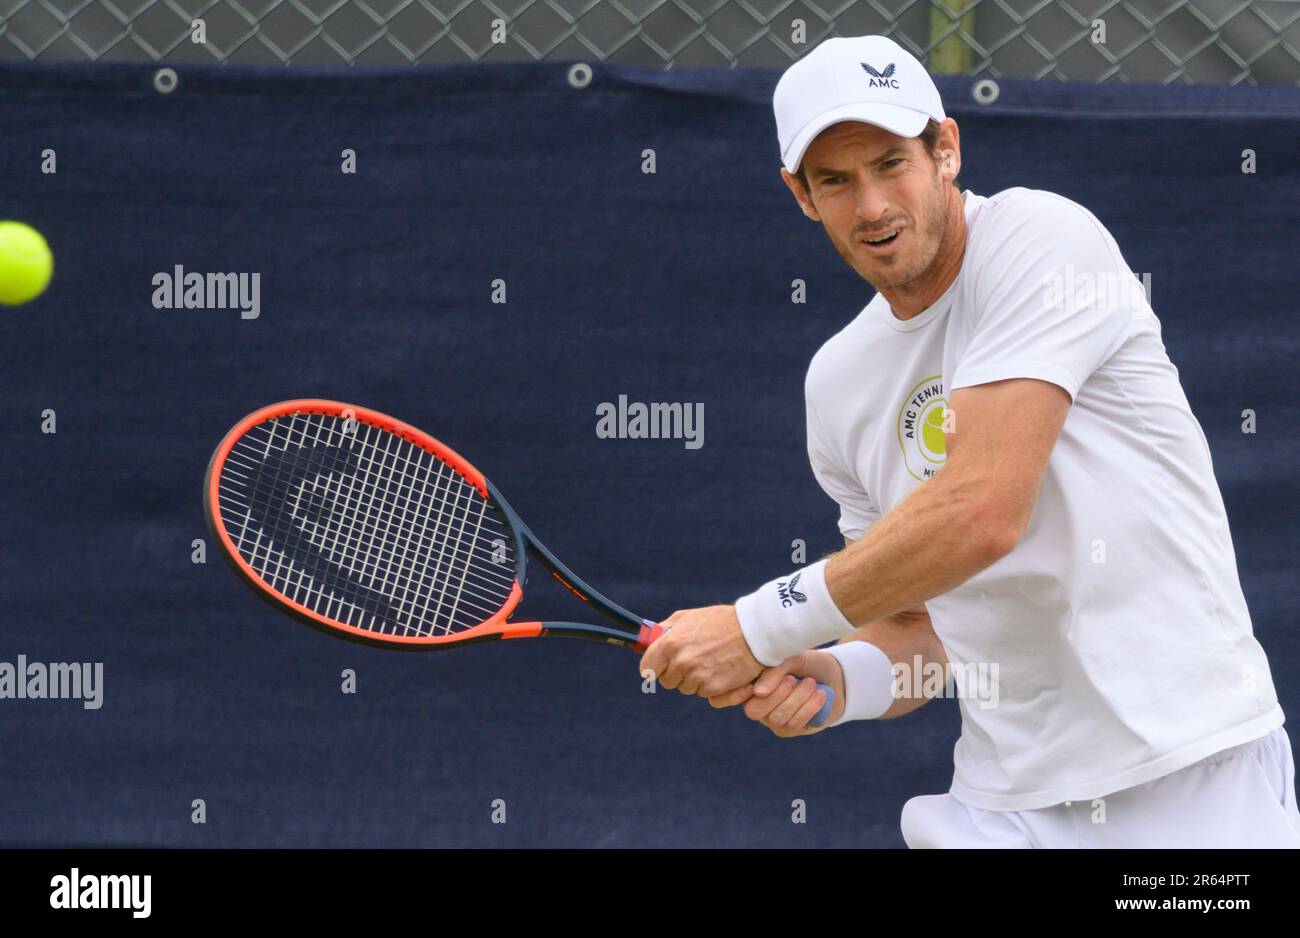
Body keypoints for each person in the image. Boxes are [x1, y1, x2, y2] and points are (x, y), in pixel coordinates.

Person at [638, 34, 1298, 848]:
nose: (872, 206)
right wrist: (841, 678)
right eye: (835, 181)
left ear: (945, 148)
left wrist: (755, 627)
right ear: (800, 195)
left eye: (890, 163)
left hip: (1190, 774)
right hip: (999, 802)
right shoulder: (838, 380)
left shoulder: (1042, 240)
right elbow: (919, 623)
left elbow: (981, 513)